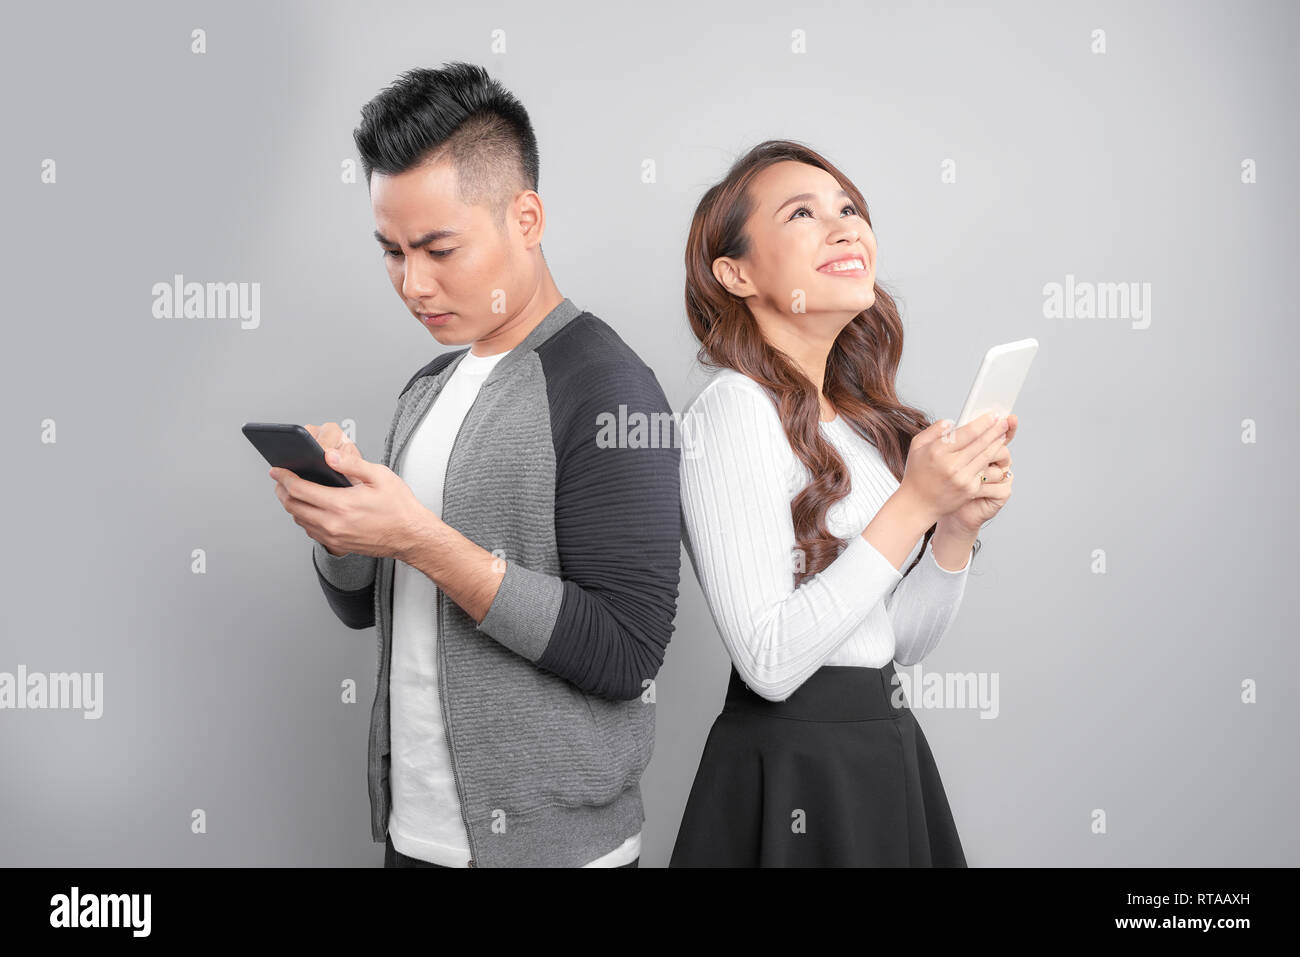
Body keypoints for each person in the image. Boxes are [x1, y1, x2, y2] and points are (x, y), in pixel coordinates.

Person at [269, 63, 681, 867]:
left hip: (556, 852)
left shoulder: (609, 385)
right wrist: (342, 529)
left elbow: (627, 650)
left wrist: (419, 536)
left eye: (437, 247)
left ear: (525, 216)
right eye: (390, 250)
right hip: (412, 835)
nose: (412, 283)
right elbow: (368, 611)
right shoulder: (427, 388)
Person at [669, 139, 1018, 867]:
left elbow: (896, 645)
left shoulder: (856, 425)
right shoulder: (731, 409)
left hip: (881, 748)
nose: (845, 227)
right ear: (736, 272)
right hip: (794, 765)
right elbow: (768, 662)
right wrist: (913, 504)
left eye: (850, 209)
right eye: (803, 213)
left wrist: (952, 524)